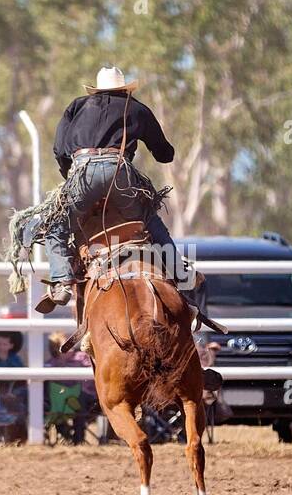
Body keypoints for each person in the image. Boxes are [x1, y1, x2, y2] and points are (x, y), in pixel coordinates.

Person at [30, 65, 189, 313]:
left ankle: (62, 283)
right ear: (124, 88)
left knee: (57, 226)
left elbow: (59, 150)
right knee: (147, 219)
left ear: (96, 89)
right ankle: (179, 272)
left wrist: (69, 179)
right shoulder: (135, 107)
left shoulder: (76, 106)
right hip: (120, 173)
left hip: (82, 173)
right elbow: (164, 154)